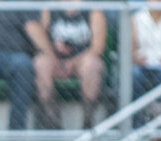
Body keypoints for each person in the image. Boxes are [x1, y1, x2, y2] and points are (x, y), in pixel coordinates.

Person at [30, 0, 106, 129]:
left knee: (92, 64)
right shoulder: (49, 9)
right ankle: (52, 122)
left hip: (82, 60)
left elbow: (98, 47)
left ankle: (87, 122)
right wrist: (53, 48)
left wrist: (73, 61)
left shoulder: (93, 10)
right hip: (54, 59)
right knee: (41, 63)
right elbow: (40, 40)